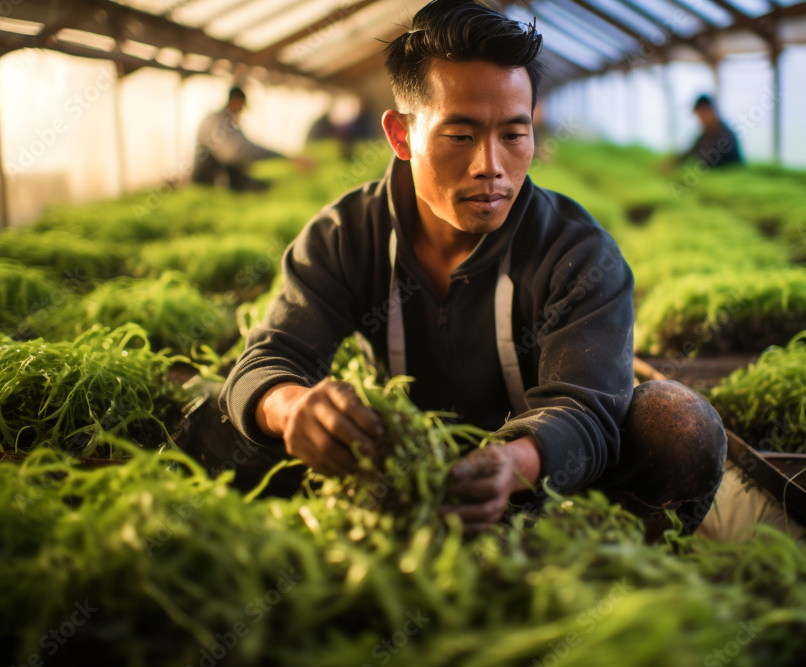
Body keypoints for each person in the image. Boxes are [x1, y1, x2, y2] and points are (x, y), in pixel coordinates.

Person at [219, 0, 726, 537]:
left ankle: (605, 590)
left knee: (678, 424)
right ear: (401, 136)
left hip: (541, 480)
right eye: (460, 136)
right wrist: (294, 409)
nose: (491, 166)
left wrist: (516, 464)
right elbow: (269, 359)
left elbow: (587, 409)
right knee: (219, 419)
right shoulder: (346, 235)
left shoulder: (579, 252)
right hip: (390, 474)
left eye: (513, 134)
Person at [191, 86, 285, 192]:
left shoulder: (228, 123)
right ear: (236, 100)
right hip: (204, 183)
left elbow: (242, 146)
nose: (241, 110)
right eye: (242, 105)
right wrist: (281, 156)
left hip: (213, 183)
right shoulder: (217, 122)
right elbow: (235, 152)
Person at [678, 94, 743, 169]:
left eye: (702, 115)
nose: (701, 120)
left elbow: (713, 163)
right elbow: (689, 153)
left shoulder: (725, 136)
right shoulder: (704, 136)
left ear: (711, 111)